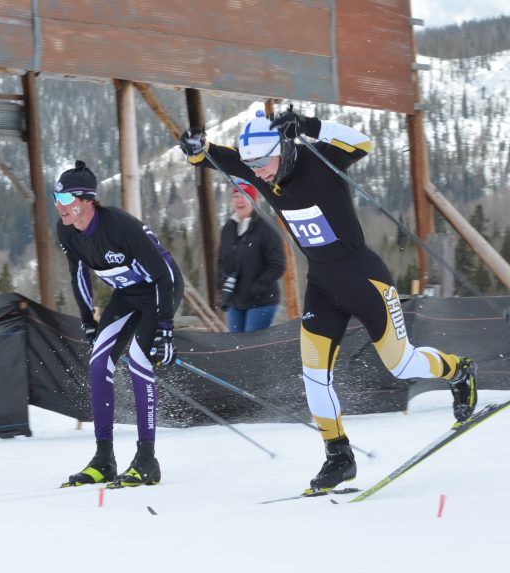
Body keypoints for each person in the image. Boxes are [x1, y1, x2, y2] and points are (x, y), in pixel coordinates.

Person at [179, 109, 477, 492]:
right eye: (251, 165)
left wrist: (307, 126)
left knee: (400, 363)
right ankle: (338, 456)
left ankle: (458, 370)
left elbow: (362, 143)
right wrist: (195, 146)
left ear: (283, 149)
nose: (258, 173)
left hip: (364, 279)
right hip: (321, 285)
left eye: (262, 163)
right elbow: (208, 157)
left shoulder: (319, 160)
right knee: (314, 375)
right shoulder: (260, 167)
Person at [54, 160, 184, 489]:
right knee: (99, 363)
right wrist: (87, 321)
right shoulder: (66, 230)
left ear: (86, 201)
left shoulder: (120, 226)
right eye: (55, 200)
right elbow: (79, 274)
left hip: (158, 292)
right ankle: (103, 458)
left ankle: (146, 459)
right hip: (126, 295)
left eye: (67, 201)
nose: (60, 208)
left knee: (141, 362)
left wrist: (165, 328)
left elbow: (164, 275)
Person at [217, 178, 286, 332]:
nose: (239, 200)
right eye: (236, 196)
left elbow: (277, 265)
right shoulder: (228, 228)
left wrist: (255, 289)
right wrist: (222, 282)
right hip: (235, 302)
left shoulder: (266, 227)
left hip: (261, 302)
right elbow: (221, 260)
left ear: (253, 200)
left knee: (252, 349)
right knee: (237, 347)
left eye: (244, 195)